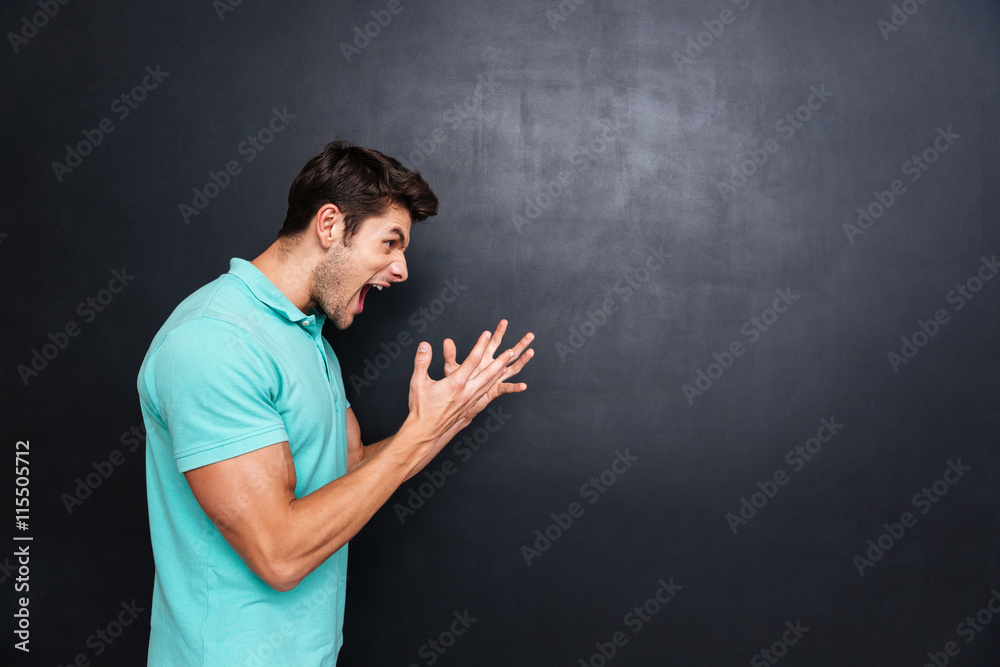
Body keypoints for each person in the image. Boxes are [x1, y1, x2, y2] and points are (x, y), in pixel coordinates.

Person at [137, 141, 534, 666]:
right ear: (330, 225)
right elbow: (277, 554)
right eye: (390, 243)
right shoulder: (213, 342)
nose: (402, 270)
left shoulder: (309, 338)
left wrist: (448, 417)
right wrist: (417, 433)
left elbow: (347, 471)